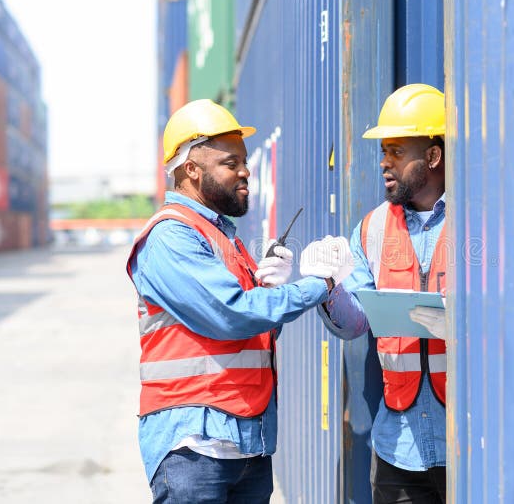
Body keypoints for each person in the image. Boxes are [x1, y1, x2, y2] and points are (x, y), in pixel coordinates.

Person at [126, 99, 352, 503]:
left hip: (247, 440)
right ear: (191, 169)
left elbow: (254, 330)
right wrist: (319, 284)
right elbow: (230, 315)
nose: (246, 171)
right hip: (195, 445)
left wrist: (270, 290)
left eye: (245, 161)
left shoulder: (224, 238)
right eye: (231, 163)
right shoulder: (169, 237)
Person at [315, 84, 449, 503]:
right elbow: (355, 323)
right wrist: (328, 287)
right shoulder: (371, 228)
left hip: (466, 441)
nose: (384, 163)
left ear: (432, 156)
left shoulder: (480, 222)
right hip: (398, 449)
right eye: (383, 152)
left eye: (395, 151)